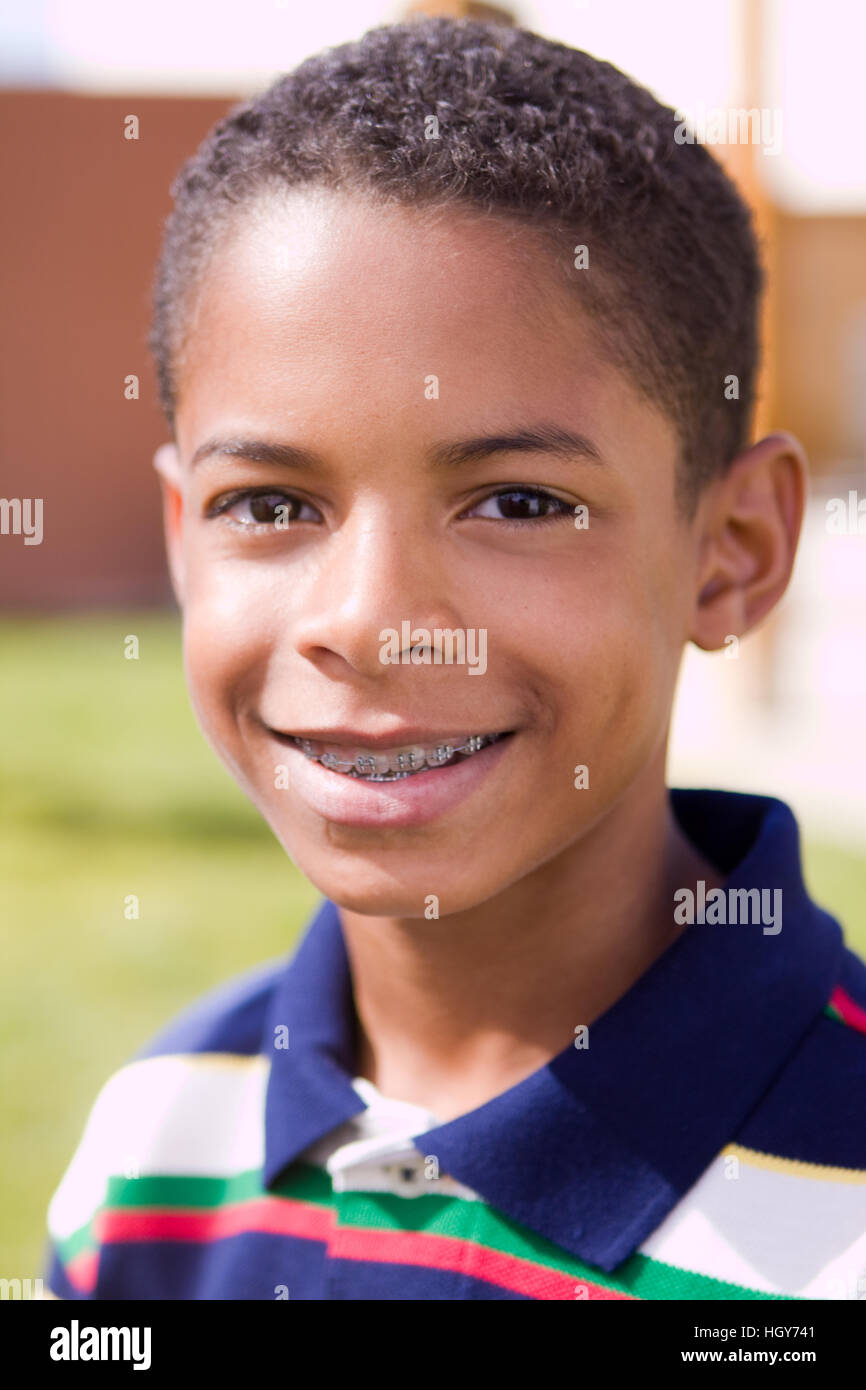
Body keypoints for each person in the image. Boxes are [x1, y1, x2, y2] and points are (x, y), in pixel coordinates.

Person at [41, 15, 866, 1301]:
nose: (368, 620)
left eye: (518, 503)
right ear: (184, 544)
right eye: (270, 505)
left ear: (731, 551)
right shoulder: (152, 1159)